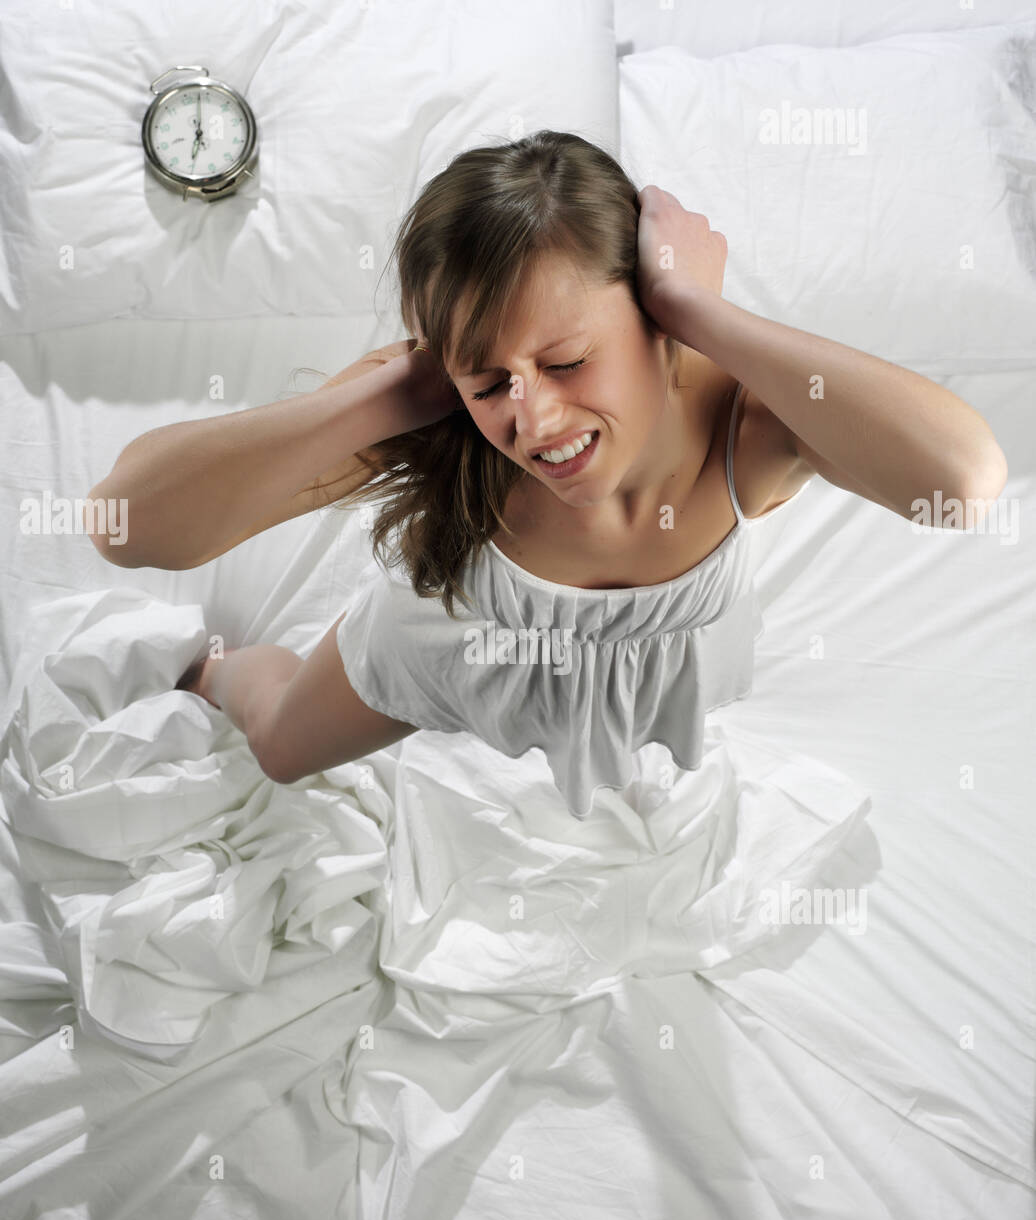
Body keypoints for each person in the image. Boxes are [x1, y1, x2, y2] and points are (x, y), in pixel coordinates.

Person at [88, 130, 1006, 818]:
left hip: (653, 673)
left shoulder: (746, 419)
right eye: (490, 379)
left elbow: (963, 481)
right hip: (449, 646)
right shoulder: (438, 413)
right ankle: (224, 674)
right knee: (285, 748)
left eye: (567, 363)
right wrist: (399, 394)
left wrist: (696, 306)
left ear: (653, 322)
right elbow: (123, 529)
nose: (533, 422)